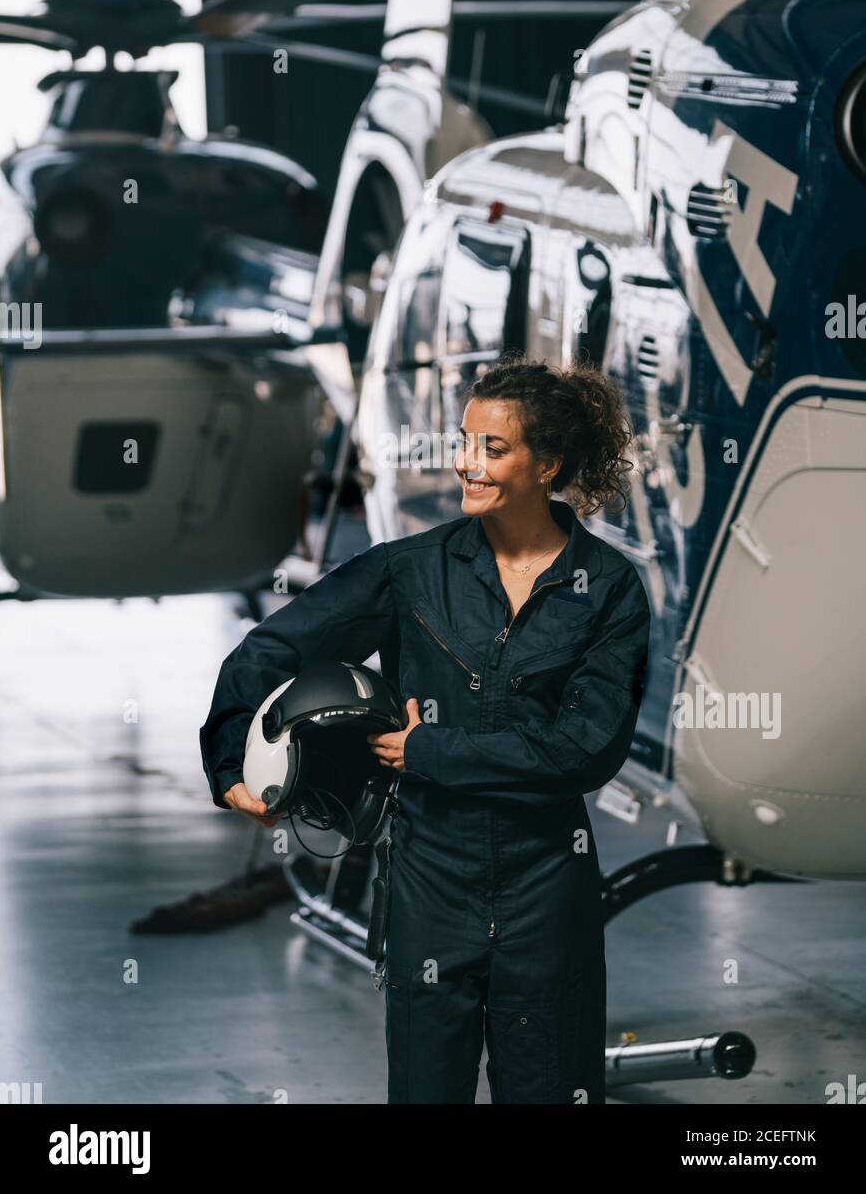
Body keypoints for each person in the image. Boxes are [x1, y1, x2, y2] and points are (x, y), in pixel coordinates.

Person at [199, 352, 651, 1104]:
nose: (466, 464)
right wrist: (229, 765)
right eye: (464, 442)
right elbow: (272, 648)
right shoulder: (407, 570)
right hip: (427, 882)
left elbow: (586, 749)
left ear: (550, 464)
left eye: (492, 449)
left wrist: (428, 749)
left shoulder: (605, 588)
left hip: (547, 886)